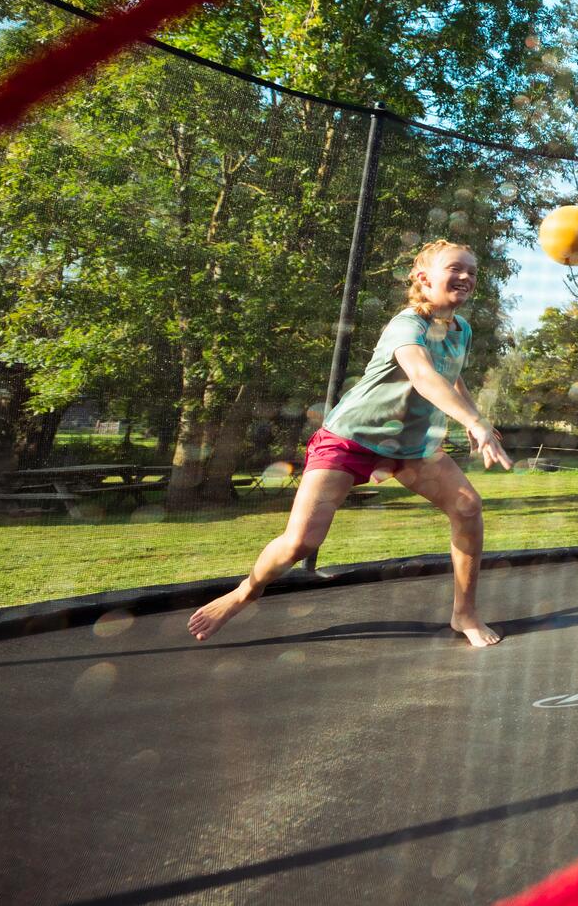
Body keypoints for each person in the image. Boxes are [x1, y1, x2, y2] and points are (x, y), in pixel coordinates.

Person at [188, 239, 515, 648]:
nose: (466, 277)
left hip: (411, 449)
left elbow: (449, 376)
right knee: (301, 542)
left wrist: (473, 415)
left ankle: (463, 612)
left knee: (467, 506)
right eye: (455, 269)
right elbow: (422, 375)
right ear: (423, 277)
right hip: (351, 440)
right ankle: (243, 593)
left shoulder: (461, 330)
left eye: (472, 271)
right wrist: (472, 420)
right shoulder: (407, 324)